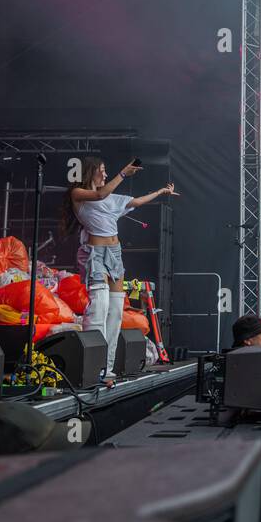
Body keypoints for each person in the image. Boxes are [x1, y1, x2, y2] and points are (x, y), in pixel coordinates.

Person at [63, 156, 178, 374]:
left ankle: (106, 368)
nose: (105, 174)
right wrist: (123, 173)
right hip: (95, 254)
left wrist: (161, 192)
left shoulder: (112, 198)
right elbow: (99, 194)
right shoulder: (79, 194)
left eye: (107, 171)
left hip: (115, 254)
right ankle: (91, 367)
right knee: (100, 307)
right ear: (91, 172)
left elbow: (135, 202)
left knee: (115, 312)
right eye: (102, 170)